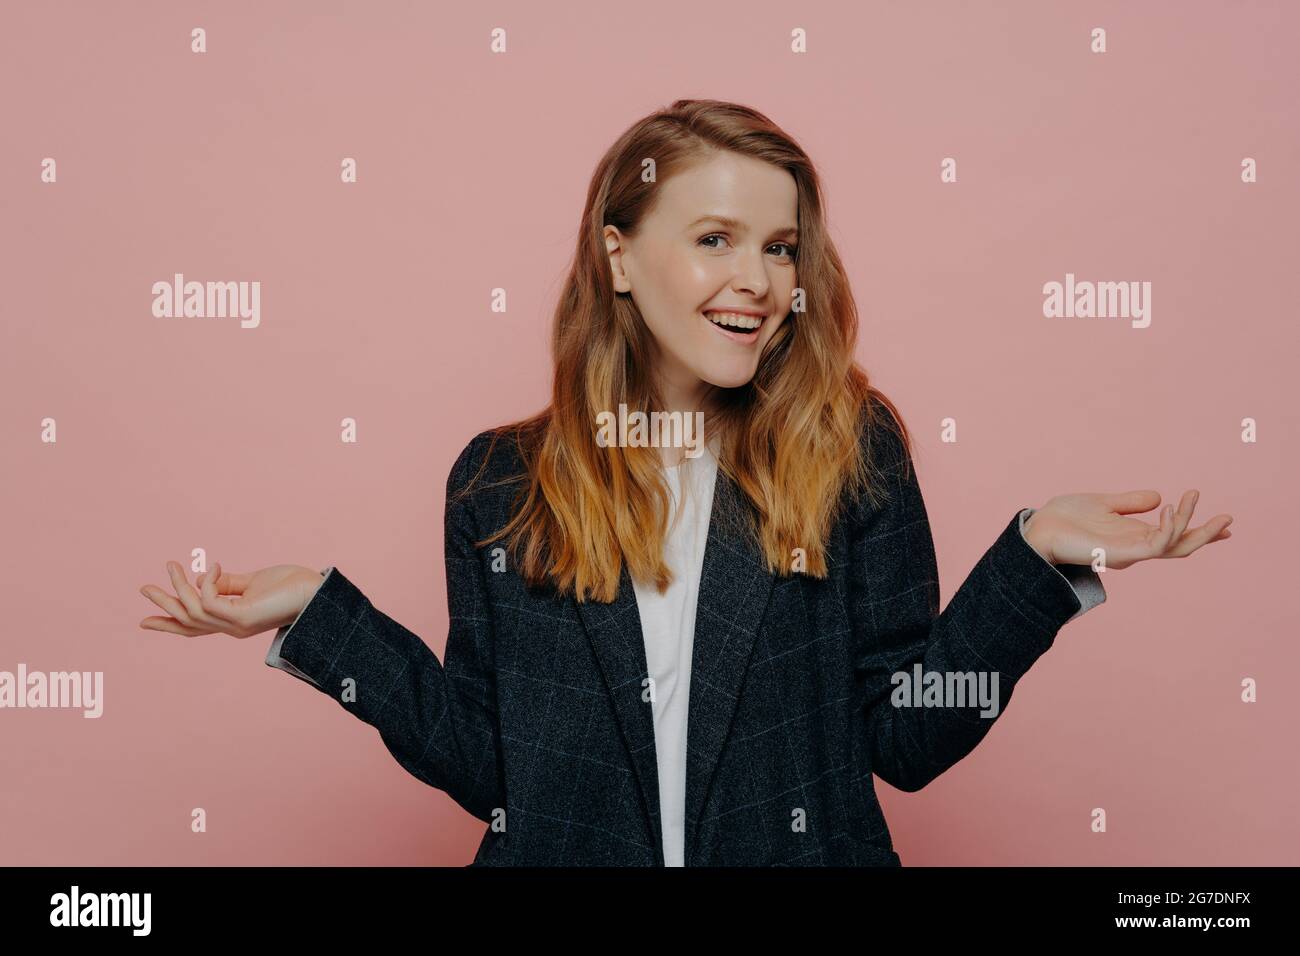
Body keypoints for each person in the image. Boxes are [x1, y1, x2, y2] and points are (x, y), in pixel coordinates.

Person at [138, 99, 1232, 866]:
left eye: (780, 247)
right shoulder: (501, 482)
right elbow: (490, 766)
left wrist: (1033, 561)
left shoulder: (849, 447)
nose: (757, 280)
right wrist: (320, 615)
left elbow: (904, 740)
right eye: (715, 239)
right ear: (618, 256)